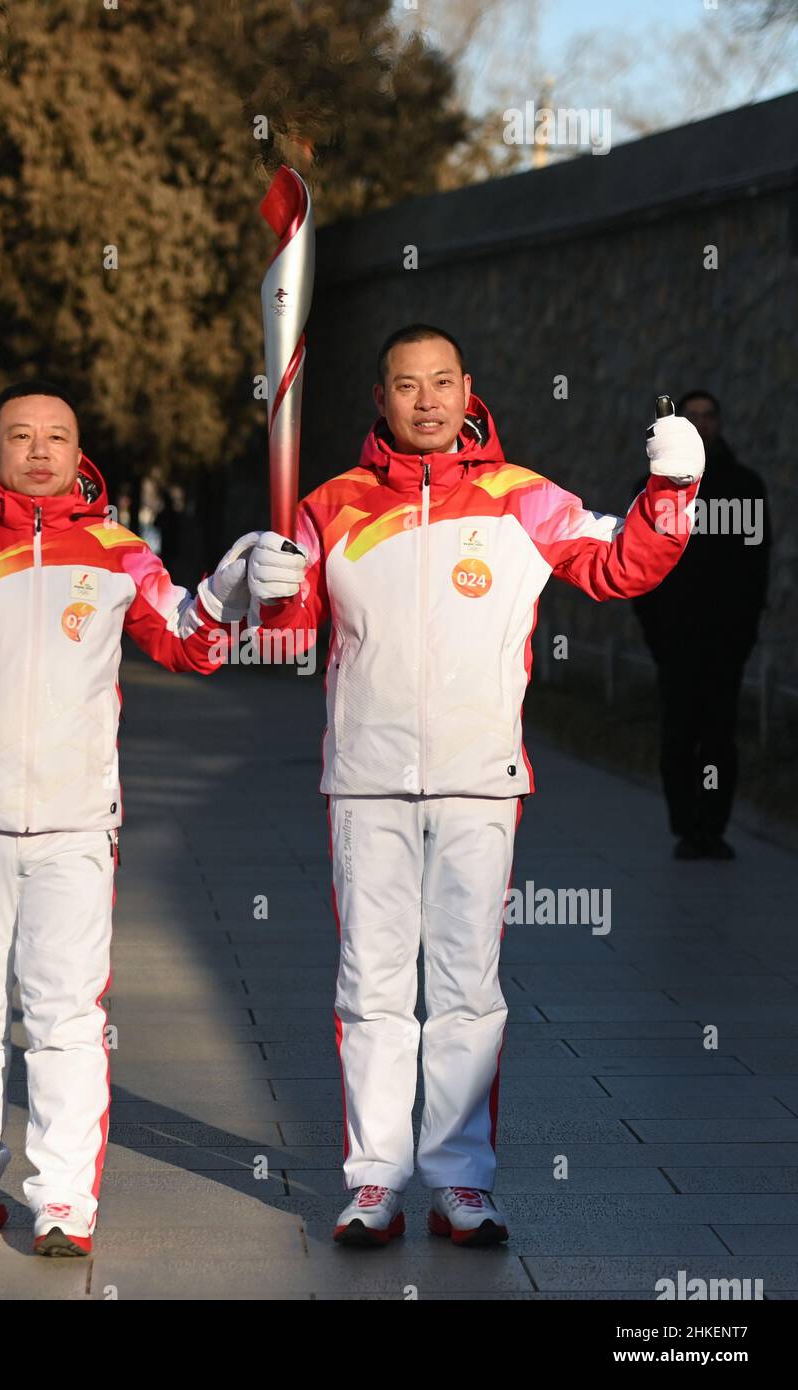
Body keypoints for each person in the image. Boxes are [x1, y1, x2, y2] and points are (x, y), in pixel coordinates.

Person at [246, 325, 705, 1248]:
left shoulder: (522, 499)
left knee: (466, 988)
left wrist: (672, 495)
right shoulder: (330, 505)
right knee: (371, 988)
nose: (426, 401)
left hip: (477, 782)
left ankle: (462, 1182)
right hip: (367, 783)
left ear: (468, 391)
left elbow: (621, 566)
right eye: (406, 386)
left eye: (442, 383)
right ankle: (374, 1182)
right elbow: (288, 634)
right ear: (379, 399)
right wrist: (271, 586)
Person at [0, 380, 257, 1256]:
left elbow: (189, 642)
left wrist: (229, 590)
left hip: (77, 824)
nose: (39, 451)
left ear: (81, 454)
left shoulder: (119, 553)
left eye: (57, 437)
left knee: (64, 1015)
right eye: (20, 436)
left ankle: (63, 1198)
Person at [630, 390, 771, 860]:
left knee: (718, 735)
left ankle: (713, 827)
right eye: (694, 417)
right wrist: (657, 634)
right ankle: (687, 827)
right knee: (679, 734)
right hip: (675, 643)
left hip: (726, 643)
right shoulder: (655, 488)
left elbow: (757, 568)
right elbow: (638, 568)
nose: (704, 425)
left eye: (711, 416)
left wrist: (744, 632)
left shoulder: (746, 486)